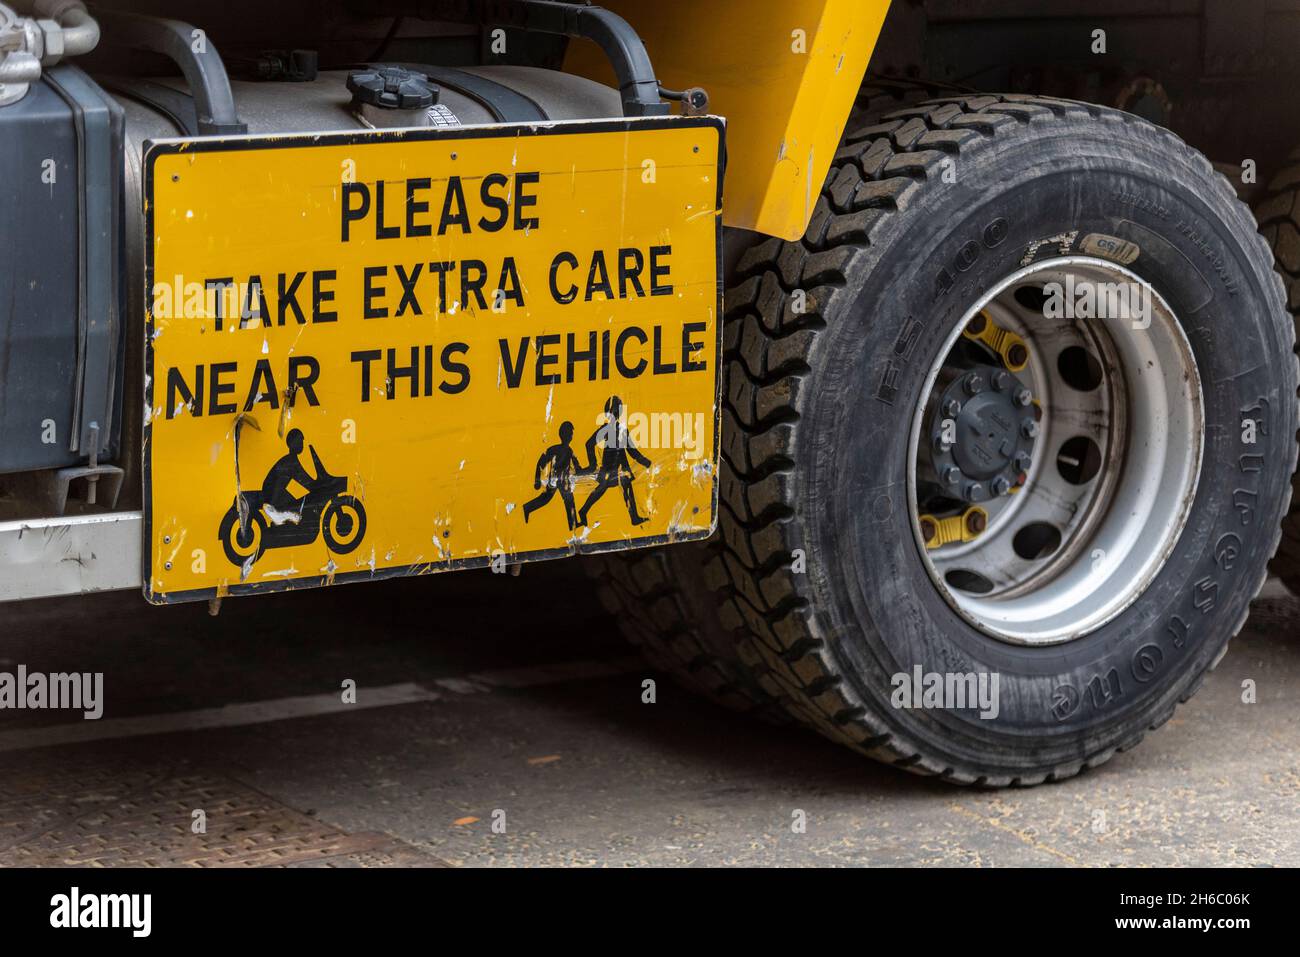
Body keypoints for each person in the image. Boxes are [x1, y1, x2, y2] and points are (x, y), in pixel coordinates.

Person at [578, 396, 650, 527]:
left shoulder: (618, 429)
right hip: (610, 467)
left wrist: (645, 462)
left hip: (620, 466)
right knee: (602, 488)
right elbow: (589, 444)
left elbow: (631, 450)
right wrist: (593, 464)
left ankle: (634, 517)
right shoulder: (609, 429)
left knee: (624, 486)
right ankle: (584, 510)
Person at [523, 421, 581, 528]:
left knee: (548, 499)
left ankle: (527, 507)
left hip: (559, 480)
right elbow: (541, 463)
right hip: (558, 480)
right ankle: (573, 524)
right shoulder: (555, 450)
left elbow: (576, 465)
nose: (571, 436)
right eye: (570, 433)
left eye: (571, 434)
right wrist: (537, 480)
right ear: (564, 435)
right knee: (566, 500)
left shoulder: (568, 450)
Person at [261, 428, 315, 513]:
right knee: (299, 503)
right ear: (291, 443)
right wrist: (318, 485)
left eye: (301, 441)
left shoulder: (291, 459)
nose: (301, 444)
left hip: (274, 494)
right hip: (271, 496)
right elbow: (303, 478)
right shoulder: (289, 461)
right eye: (299, 441)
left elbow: (304, 477)